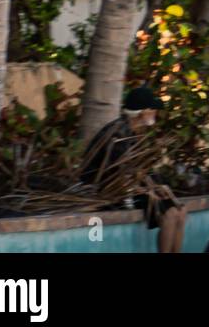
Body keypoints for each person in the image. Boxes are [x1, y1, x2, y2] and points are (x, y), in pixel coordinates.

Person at [79, 86, 187, 253]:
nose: (155, 113)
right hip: (109, 190)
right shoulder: (118, 133)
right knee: (170, 215)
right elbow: (121, 173)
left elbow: (142, 168)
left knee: (181, 212)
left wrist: (159, 186)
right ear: (141, 112)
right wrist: (149, 189)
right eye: (152, 109)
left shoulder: (135, 130)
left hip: (129, 186)